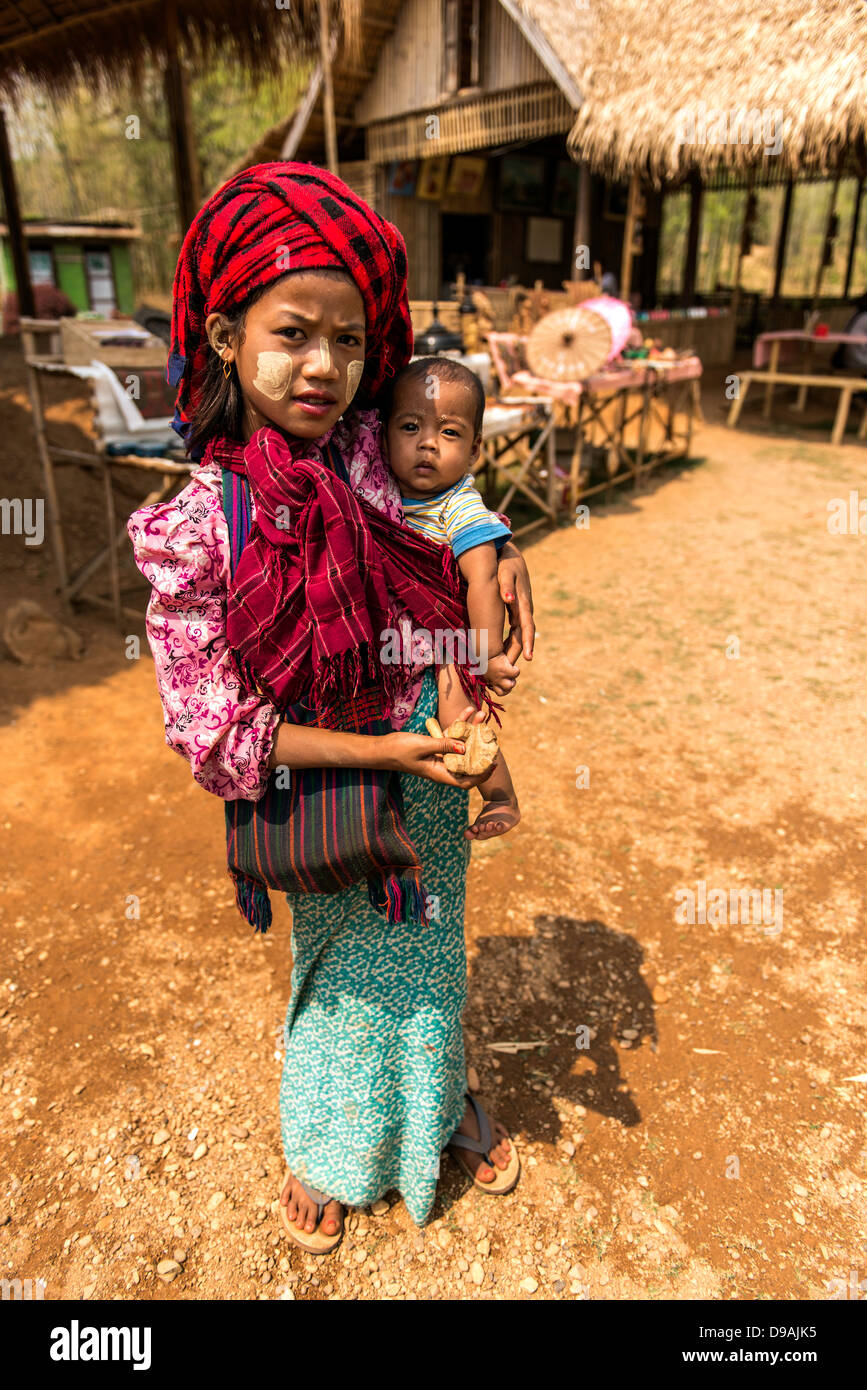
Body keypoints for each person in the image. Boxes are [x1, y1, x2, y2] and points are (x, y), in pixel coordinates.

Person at [127, 162, 535, 1256]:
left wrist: (492, 543)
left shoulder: (371, 453)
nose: (325, 367)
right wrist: (382, 749)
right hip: (331, 783)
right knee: (339, 966)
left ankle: (436, 1109)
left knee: (434, 951)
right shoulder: (201, 525)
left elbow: (449, 505)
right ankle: (326, 1143)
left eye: (350, 342)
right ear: (222, 334)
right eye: (294, 332)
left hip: (428, 768)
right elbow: (217, 734)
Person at [383, 355, 520, 839]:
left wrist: (487, 655)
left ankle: (500, 794)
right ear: (383, 433)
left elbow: (482, 577)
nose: (426, 444)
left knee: (456, 710)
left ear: (475, 448)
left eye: (449, 433)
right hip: (395, 637)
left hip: (444, 641)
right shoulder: (382, 489)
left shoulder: (457, 501)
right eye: (410, 426)